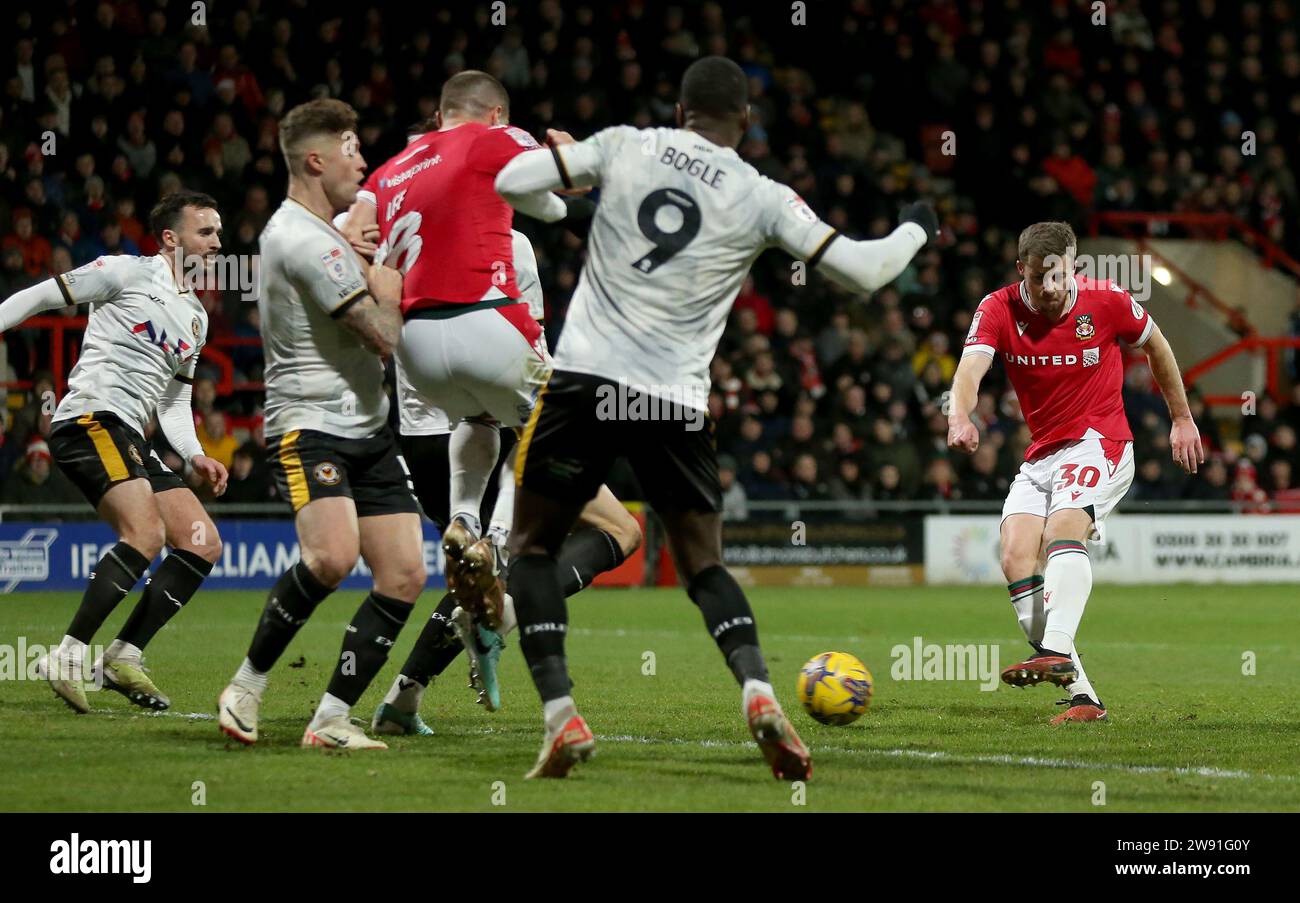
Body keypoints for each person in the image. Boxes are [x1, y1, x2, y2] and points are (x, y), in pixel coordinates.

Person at [494, 55, 936, 778]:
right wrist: (916, 227)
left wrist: (575, 184)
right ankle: (759, 690)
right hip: (674, 398)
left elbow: (513, 184)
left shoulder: (624, 144)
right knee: (703, 565)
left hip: (584, 380)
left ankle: (560, 714)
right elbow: (863, 270)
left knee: (533, 549)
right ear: (747, 121)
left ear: (679, 110)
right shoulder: (763, 194)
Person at [339, 142, 640, 728]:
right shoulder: (504, 241)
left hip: (432, 426)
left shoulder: (394, 218)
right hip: (486, 426)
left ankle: (404, 697)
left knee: (481, 566)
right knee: (616, 530)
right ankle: (499, 596)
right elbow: (524, 379)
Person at [216, 99, 425, 751]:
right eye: (351, 148)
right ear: (316, 159)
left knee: (404, 575)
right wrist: (389, 282)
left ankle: (333, 715)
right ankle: (246, 683)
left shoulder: (327, 230)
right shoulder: (300, 239)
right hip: (310, 426)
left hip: (370, 429)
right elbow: (384, 335)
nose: (362, 160)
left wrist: (367, 252)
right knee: (331, 556)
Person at [947, 220, 1203, 724]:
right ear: (1022, 269)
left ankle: (1056, 649)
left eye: (1059, 275)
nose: (1050, 287)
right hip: (1042, 454)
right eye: (1039, 276)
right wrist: (959, 414)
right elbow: (970, 369)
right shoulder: (997, 308)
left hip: (1099, 440)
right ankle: (1083, 696)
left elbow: (1158, 346)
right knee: (1016, 556)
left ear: (1074, 267)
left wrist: (1181, 418)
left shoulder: (1106, 300)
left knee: (1063, 531)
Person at [0, 190, 229, 714]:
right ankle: (67, 655)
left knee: (201, 542)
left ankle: (123, 655)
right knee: (145, 534)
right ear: (171, 238)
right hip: (89, 420)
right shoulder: (123, 271)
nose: (218, 242)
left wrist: (193, 454)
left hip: (132, 435)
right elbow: (40, 296)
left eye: (218, 232)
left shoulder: (196, 315)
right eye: (206, 232)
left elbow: (175, 400)